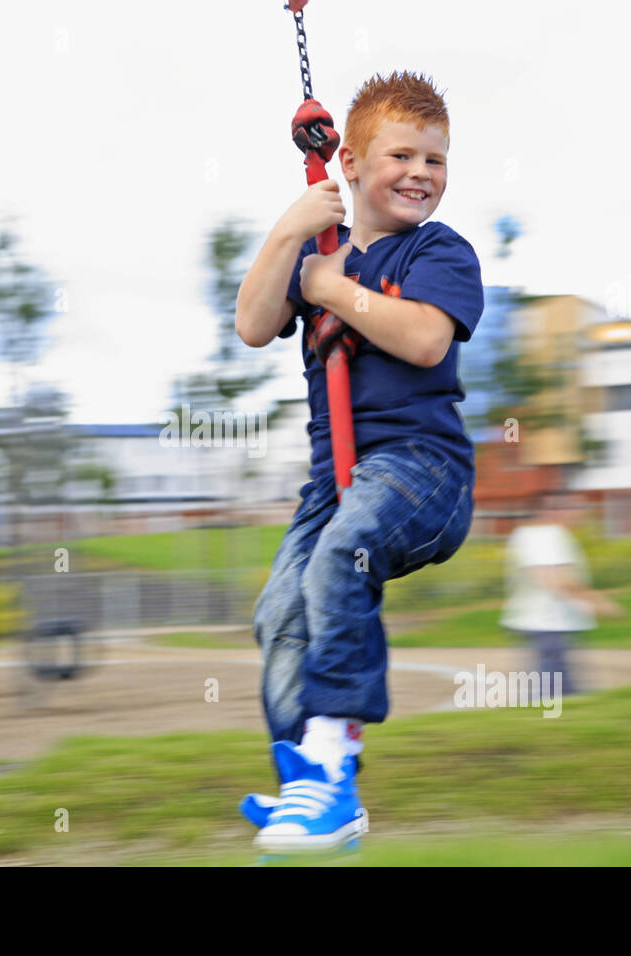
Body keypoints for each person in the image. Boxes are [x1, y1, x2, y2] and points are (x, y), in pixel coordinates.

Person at [234, 72, 483, 852]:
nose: (420, 174)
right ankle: (307, 783)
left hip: (422, 469)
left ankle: (334, 766)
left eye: (435, 160)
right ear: (347, 159)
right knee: (279, 612)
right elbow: (250, 325)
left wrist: (334, 291)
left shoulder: (438, 250)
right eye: (401, 155)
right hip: (333, 478)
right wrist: (289, 235)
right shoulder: (316, 257)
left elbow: (423, 340)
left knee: (340, 561)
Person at [500, 493, 624, 696]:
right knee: (554, 695)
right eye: (574, 507)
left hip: (544, 623)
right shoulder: (547, 535)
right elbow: (554, 579)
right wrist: (600, 603)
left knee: (557, 691)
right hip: (549, 623)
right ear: (552, 510)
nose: (579, 513)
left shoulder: (527, 534)